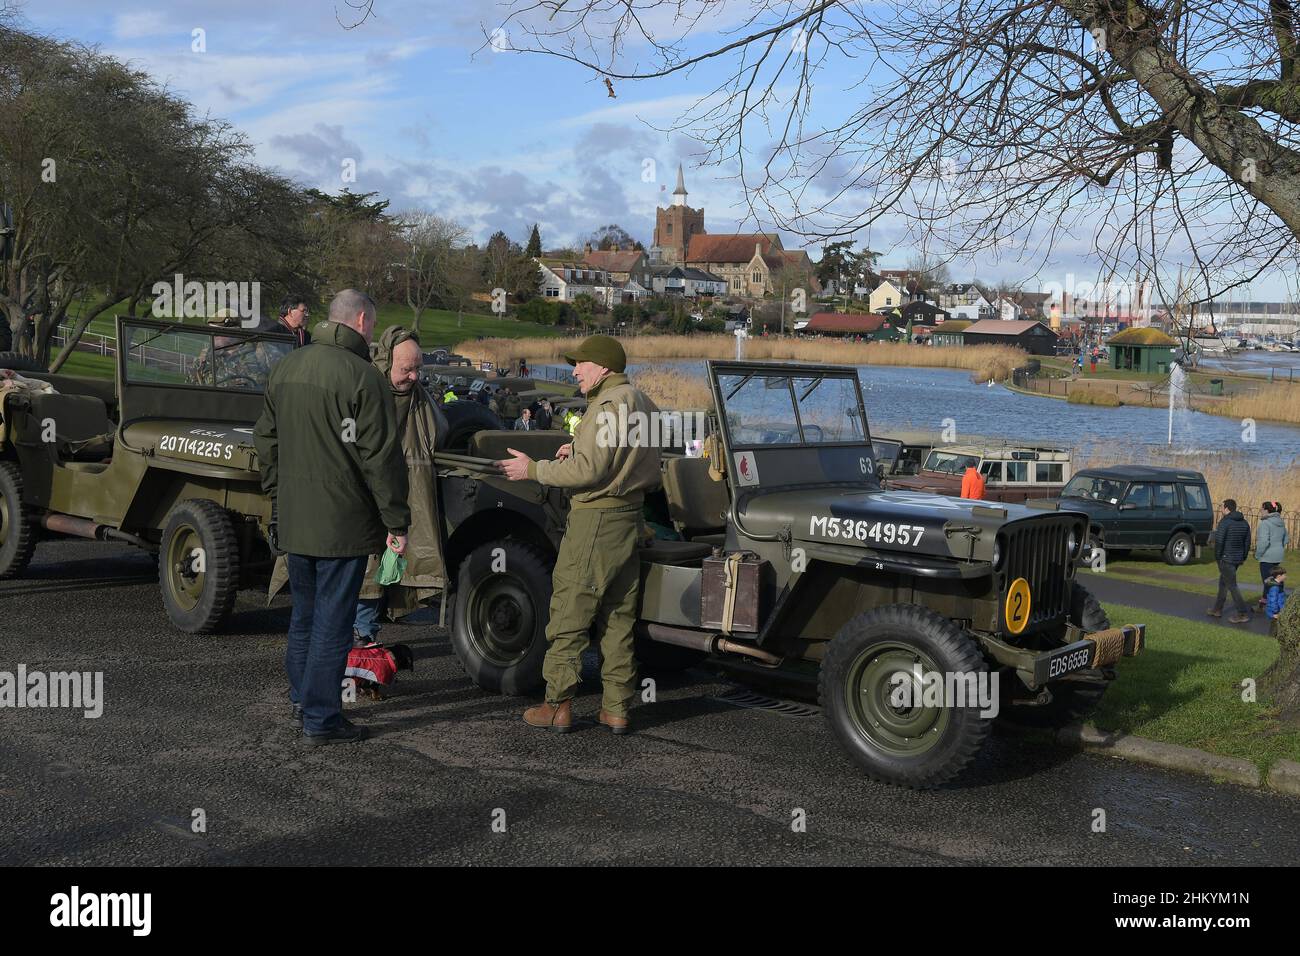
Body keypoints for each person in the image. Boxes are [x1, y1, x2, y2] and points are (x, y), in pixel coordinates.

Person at [253, 289, 410, 745]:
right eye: (373, 326)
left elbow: (267, 442)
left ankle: (303, 698)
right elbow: (381, 460)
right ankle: (322, 718)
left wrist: (278, 496)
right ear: (361, 321)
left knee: (304, 613)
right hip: (343, 523)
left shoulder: (286, 367)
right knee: (332, 622)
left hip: (296, 519)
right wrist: (396, 522)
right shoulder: (365, 378)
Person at [497, 334, 662, 735]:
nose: (574, 370)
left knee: (571, 611)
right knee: (618, 618)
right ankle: (617, 708)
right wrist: (582, 449)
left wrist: (533, 470)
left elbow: (588, 473)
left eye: (581, 364)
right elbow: (647, 467)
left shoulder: (606, 406)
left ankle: (557, 705)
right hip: (629, 519)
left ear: (603, 367)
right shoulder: (644, 403)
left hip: (596, 521)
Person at [353, 327, 448, 642]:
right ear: (384, 364)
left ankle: (364, 637)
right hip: (364, 502)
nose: (414, 377)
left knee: (383, 569)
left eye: (418, 368)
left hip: (402, 500)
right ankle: (358, 639)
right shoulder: (364, 391)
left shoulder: (418, 400)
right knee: (365, 569)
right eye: (406, 369)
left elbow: (438, 434)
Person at [189, 311, 277, 389]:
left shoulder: (263, 353)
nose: (214, 335)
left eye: (219, 332)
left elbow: (280, 385)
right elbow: (192, 393)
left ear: (235, 332)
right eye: (211, 331)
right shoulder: (204, 360)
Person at [1208, 499, 1252, 624]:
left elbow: (1219, 542)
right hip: (1236, 559)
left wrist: (1217, 557)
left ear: (1227, 508)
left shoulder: (1224, 522)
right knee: (1223, 583)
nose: (1221, 509)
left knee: (1232, 585)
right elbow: (1247, 543)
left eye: (1222, 506)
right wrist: (1243, 557)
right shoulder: (1244, 523)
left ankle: (1242, 613)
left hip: (1226, 559)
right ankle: (1217, 609)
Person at [1255, 500, 1289, 608]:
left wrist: (1258, 554)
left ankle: (1274, 606)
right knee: (1274, 580)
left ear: (1266, 510)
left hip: (1267, 556)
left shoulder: (1265, 523)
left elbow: (1264, 542)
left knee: (1269, 582)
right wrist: (1279, 547)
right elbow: (1286, 539)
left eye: (1262, 508)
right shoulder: (1280, 522)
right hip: (1278, 556)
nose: (1260, 510)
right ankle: (1265, 603)